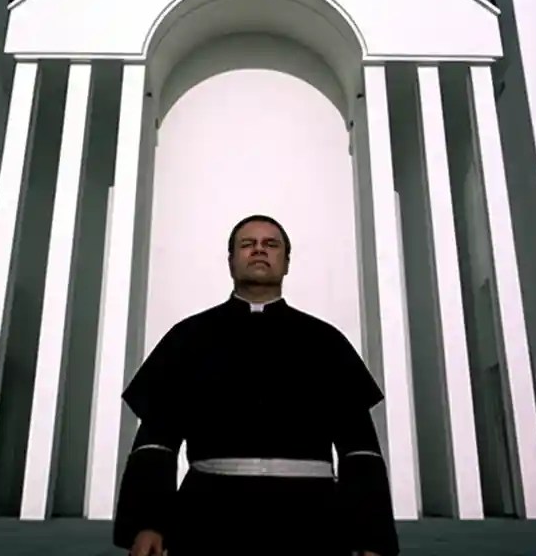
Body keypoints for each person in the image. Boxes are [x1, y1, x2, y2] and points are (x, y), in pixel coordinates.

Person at [112, 215, 399, 556]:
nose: (259, 250)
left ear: (286, 262)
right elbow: (156, 441)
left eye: (271, 244)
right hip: (208, 516)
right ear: (231, 259)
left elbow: (359, 448)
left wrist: (370, 538)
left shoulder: (326, 342)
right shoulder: (188, 338)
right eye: (248, 244)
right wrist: (149, 522)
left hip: (312, 520)